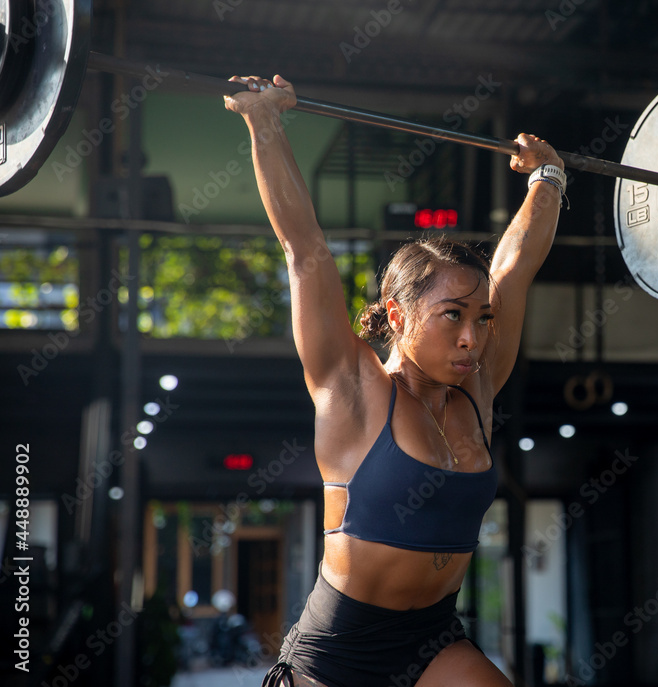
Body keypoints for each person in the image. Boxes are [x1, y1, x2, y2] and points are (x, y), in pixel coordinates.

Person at [224, 74, 566, 687]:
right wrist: (264, 122)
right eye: (452, 316)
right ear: (399, 315)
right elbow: (304, 250)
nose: (471, 336)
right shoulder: (353, 390)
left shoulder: (478, 386)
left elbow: (513, 270)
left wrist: (547, 178)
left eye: (480, 319)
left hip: (433, 638)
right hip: (339, 652)